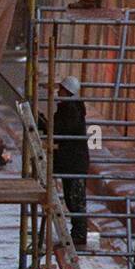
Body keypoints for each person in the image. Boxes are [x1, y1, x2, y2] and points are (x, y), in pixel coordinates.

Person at [40, 76, 90, 247]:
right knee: (72, 199)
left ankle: (80, 234)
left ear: (67, 91)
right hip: (71, 162)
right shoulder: (69, 108)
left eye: (61, 89)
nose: (58, 92)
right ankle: (77, 233)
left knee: (75, 199)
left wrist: (44, 124)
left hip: (74, 163)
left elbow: (60, 130)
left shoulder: (71, 109)